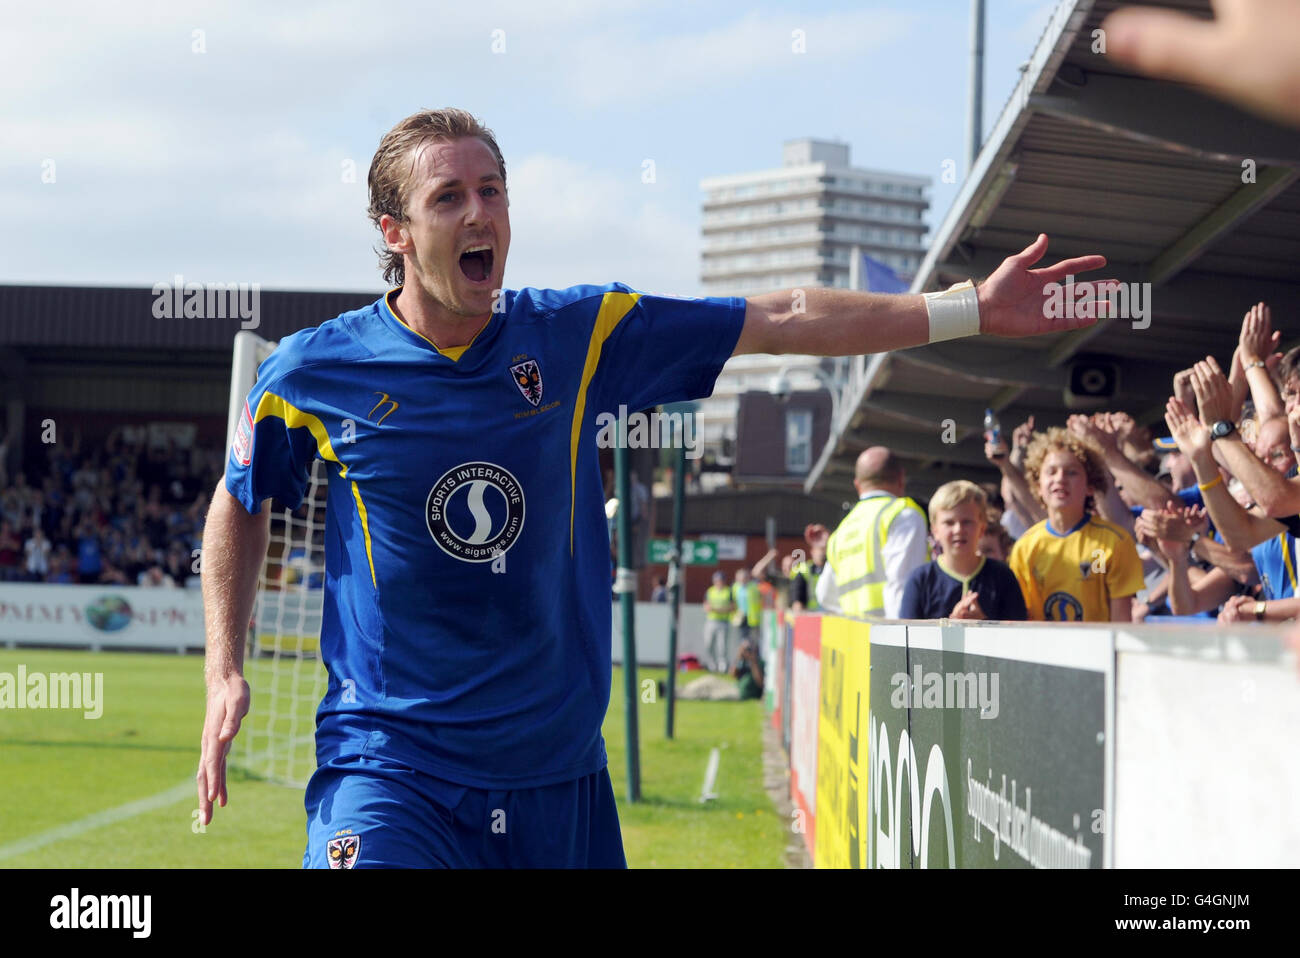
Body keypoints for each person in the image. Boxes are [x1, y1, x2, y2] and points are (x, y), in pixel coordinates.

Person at [196, 107, 1114, 868]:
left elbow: (780, 317)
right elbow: (238, 499)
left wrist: (969, 309)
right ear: (395, 233)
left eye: (493, 191)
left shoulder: (576, 333)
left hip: (554, 774)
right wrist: (225, 666)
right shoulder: (311, 373)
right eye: (450, 198)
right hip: (389, 765)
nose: (482, 213)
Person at [1009, 428, 1145, 621]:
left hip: (1096, 650)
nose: (1060, 478)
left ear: (1091, 486)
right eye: (1051, 471)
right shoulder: (1024, 548)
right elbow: (1019, 619)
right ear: (1038, 486)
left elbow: (1120, 625)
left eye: (1071, 472)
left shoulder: (1115, 542)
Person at [817, 447, 930, 618]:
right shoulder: (903, 515)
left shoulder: (841, 531)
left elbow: (825, 595)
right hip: (890, 638)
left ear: (857, 484)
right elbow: (902, 588)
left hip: (854, 637)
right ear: (901, 478)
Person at [900, 481, 1027, 621]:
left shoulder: (1003, 577)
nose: (958, 530)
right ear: (935, 530)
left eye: (967, 522)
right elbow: (908, 639)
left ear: (982, 528)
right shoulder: (920, 580)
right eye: (949, 522)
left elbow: (1017, 636)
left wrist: (983, 624)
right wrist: (952, 627)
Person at [789, 523, 828, 612]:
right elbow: (797, 603)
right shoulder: (803, 570)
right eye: (818, 549)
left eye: (823, 548)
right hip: (811, 618)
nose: (821, 552)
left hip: (831, 617)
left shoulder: (832, 567)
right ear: (812, 551)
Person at [703, 570, 735, 673]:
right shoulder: (710, 591)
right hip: (711, 621)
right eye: (717, 580)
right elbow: (706, 606)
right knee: (709, 644)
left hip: (723, 621)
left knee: (722, 645)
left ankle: (723, 665)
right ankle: (712, 664)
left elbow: (732, 606)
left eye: (721, 580)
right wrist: (712, 609)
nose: (719, 582)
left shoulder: (728, 591)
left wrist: (718, 609)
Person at [731, 566, 761, 644]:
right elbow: (733, 602)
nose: (742, 580)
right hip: (740, 617)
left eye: (744, 577)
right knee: (743, 639)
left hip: (753, 617)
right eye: (740, 578)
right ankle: (744, 655)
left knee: (753, 640)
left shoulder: (754, 586)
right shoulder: (735, 587)